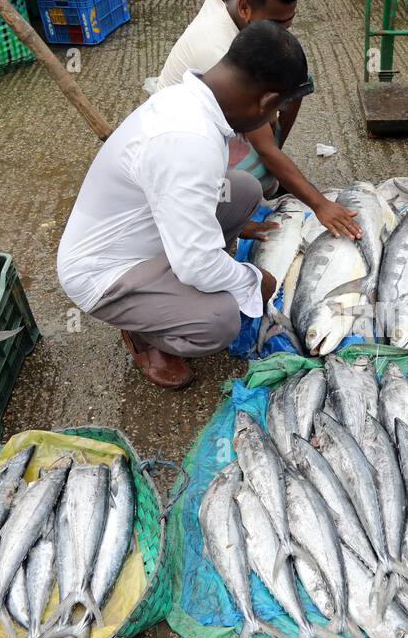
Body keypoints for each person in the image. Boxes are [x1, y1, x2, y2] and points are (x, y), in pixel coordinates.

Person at [57, 22, 311, 389]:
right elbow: (196, 264)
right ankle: (145, 332)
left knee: (241, 189)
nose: (272, 120)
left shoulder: (189, 98)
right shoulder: (188, 142)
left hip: (148, 234)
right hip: (104, 271)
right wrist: (254, 279)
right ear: (268, 102)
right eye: (279, 109)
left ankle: (169, 295)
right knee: (220, 320)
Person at [144, 0, 359, 239]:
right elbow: (265, 147)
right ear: (244, 9)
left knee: (296, 80)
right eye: (275, 24)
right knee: (251, 183)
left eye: (289, 20)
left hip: (219, 110)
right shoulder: (216, 52)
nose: (284, 30)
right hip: (182, 133)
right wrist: (320, 205)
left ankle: (275, 169)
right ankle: (263, 179)